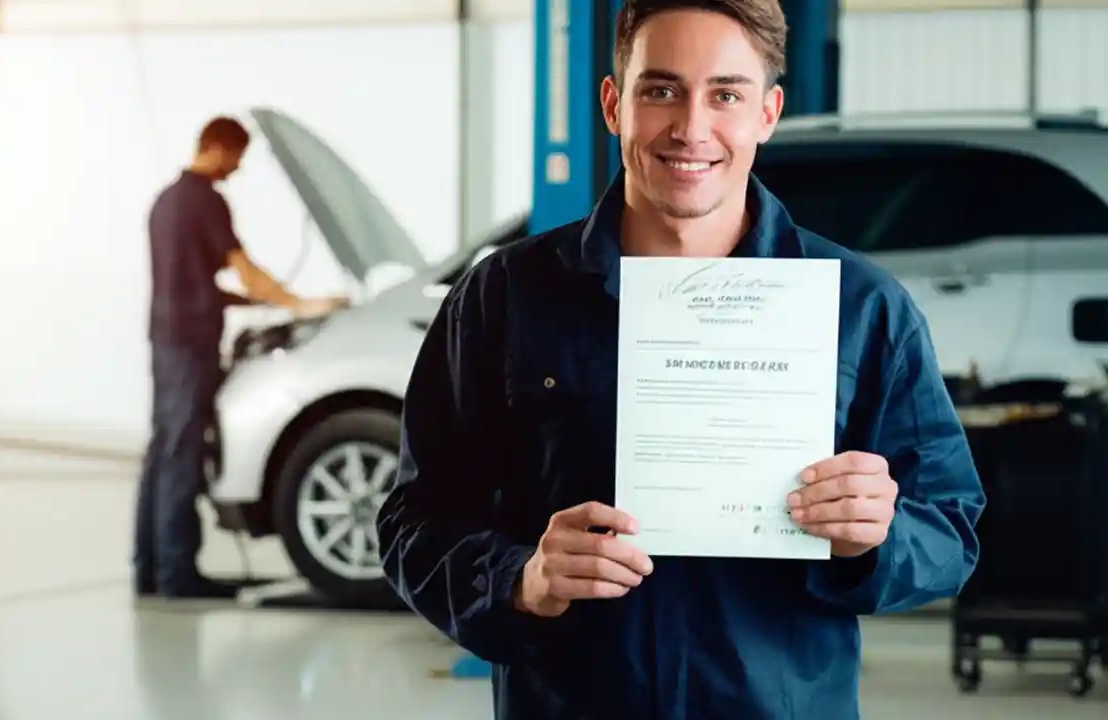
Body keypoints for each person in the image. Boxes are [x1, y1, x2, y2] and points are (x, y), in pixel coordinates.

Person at [376, 1, 986, 717]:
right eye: (660, 90)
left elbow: (948, 528)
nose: (691, 128)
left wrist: (876, 537)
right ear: (613, 104)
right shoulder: (505, 297)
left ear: (768, 112)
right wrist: (521, 580)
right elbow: (415, 521)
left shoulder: (861, 307)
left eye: (725, 94)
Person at [135, 116, 346, 599]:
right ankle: (177, 576)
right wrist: (302, 304)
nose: (237, 169)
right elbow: (244, 269)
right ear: (222, 148)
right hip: (190, 346)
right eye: (238, 158)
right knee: (183, 454)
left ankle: (150, 570)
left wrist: (251, 303)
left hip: (167, 338)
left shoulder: (166, 202)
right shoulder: (205, 200)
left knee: (162, 453)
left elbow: (188, 281)